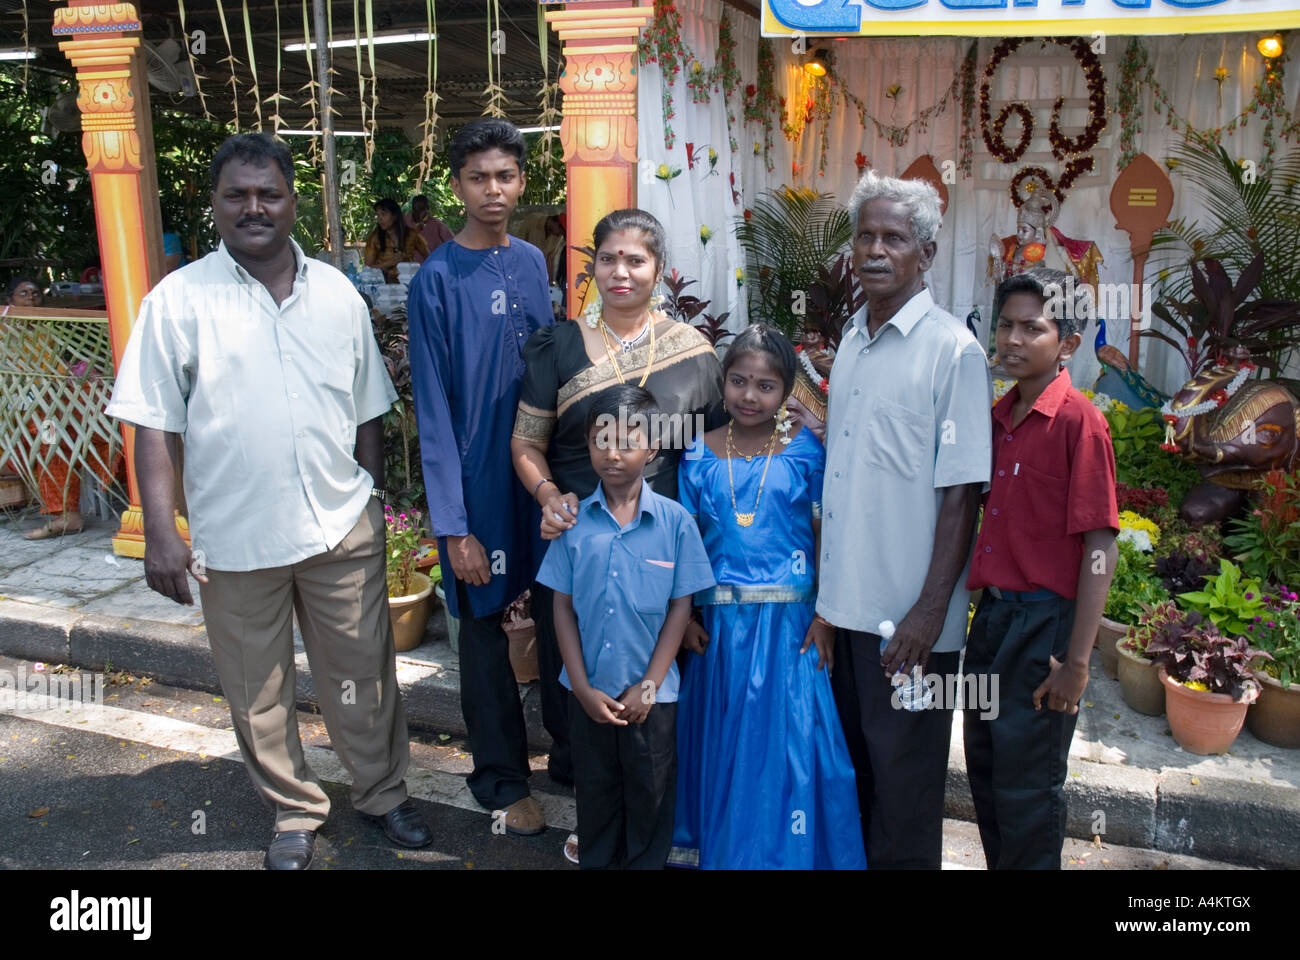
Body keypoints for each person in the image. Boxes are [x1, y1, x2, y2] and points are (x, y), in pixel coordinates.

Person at [105, 132, 432, 870]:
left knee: (364, 674)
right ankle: (292, 810)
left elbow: (367, 410)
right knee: (257, 687)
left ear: (294, 203)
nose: (254, 207)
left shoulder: (338, 295)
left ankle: (382, 792)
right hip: (236, 534)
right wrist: (164, 532)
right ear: (216, 204)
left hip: (338, 528)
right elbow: (151, 423)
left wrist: (371, 500)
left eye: (269, 194)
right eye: (237, 195)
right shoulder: (178, 301)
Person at [510, 207, 724, 861]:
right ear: (593, 266)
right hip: (581, 542)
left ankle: (652, 827)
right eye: (609, 259)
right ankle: (595, 817)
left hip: (663, 554)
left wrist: (695, 590)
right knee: (580, 689)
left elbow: (713, 460)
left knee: (651, 704)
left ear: (659, 270)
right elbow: (526, 443)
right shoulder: (559, 346)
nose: (621, 271)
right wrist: (548, 494)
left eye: (636, 260)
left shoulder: (694, 355)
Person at [807, 170, 992, 869]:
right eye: (865, 236)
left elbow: (961, 493)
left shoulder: (954, 352)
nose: (875, 250)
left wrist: (929, 611)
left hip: (910, 627)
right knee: (855, 779)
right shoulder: (852, 341)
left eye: (894, 237)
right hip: (847, 613)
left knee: (906, 793)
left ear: (927, 253)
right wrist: (825, 604)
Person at [670, 324, 865, 869]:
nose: (749, 397)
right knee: (729, 744)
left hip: (792, 629)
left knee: (792, 744)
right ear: (722, 383)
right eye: (738, 382)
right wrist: (684, 619)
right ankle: (729, 852)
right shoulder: (697, 455)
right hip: (722, 633)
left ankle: (794, 855)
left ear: (787, 392)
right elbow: (685, 543)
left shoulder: (806, 453)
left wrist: (826, 616)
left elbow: (826, 536)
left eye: (765, 386)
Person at [407, 118, 554, 836]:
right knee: (487, 634)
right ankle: (499, 778)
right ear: (457, 184)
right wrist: (453, 525)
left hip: (542, 480)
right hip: (476, 490)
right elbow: (433, 409)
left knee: (557, 617)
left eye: (505, 176)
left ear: (521, 180)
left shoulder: (532, 262)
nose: (493, 190)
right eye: (477, 177)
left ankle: (569, 757)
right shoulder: (436, 279)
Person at [965, 268, 1119, 869]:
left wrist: (1077, 663)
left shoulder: (1080, 422)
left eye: (1034, 328)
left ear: (1069, 343)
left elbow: (1101, 545)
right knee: (986, 771)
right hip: (994, 621)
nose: (1013, 339)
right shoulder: (998, 417)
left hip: (1045, 632)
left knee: (1028, 791)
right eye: (1005, 325)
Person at [536, 384, 715, 869]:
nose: (613, 453)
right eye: (601, 439)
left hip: (651, 703)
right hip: (588, 697)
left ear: (652, 447)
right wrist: (580, 686)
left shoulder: (676, 523)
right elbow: (562, 609)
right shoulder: (573, 525)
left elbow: (682, 608)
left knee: (651, 803)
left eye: (628, 440)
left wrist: (651, 685)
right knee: (595, 803)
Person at [365, 198, 428, 281]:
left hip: (408, 282)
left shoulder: (412, 235)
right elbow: (367, 268)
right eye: (378, 215)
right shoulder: (375, 238)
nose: (380, 219)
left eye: (383, 214)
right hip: (383, 283)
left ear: (395, 216)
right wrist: (391, 262)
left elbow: (430, 258)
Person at [406, 195, 454, 261]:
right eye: (416, 209)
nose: (419, 213)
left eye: (422, 209)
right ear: (413, 208)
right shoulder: (405, 221)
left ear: (427, 209)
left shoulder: (437, 225)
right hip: (407, 266)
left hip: (430, 265)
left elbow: (452, 243)